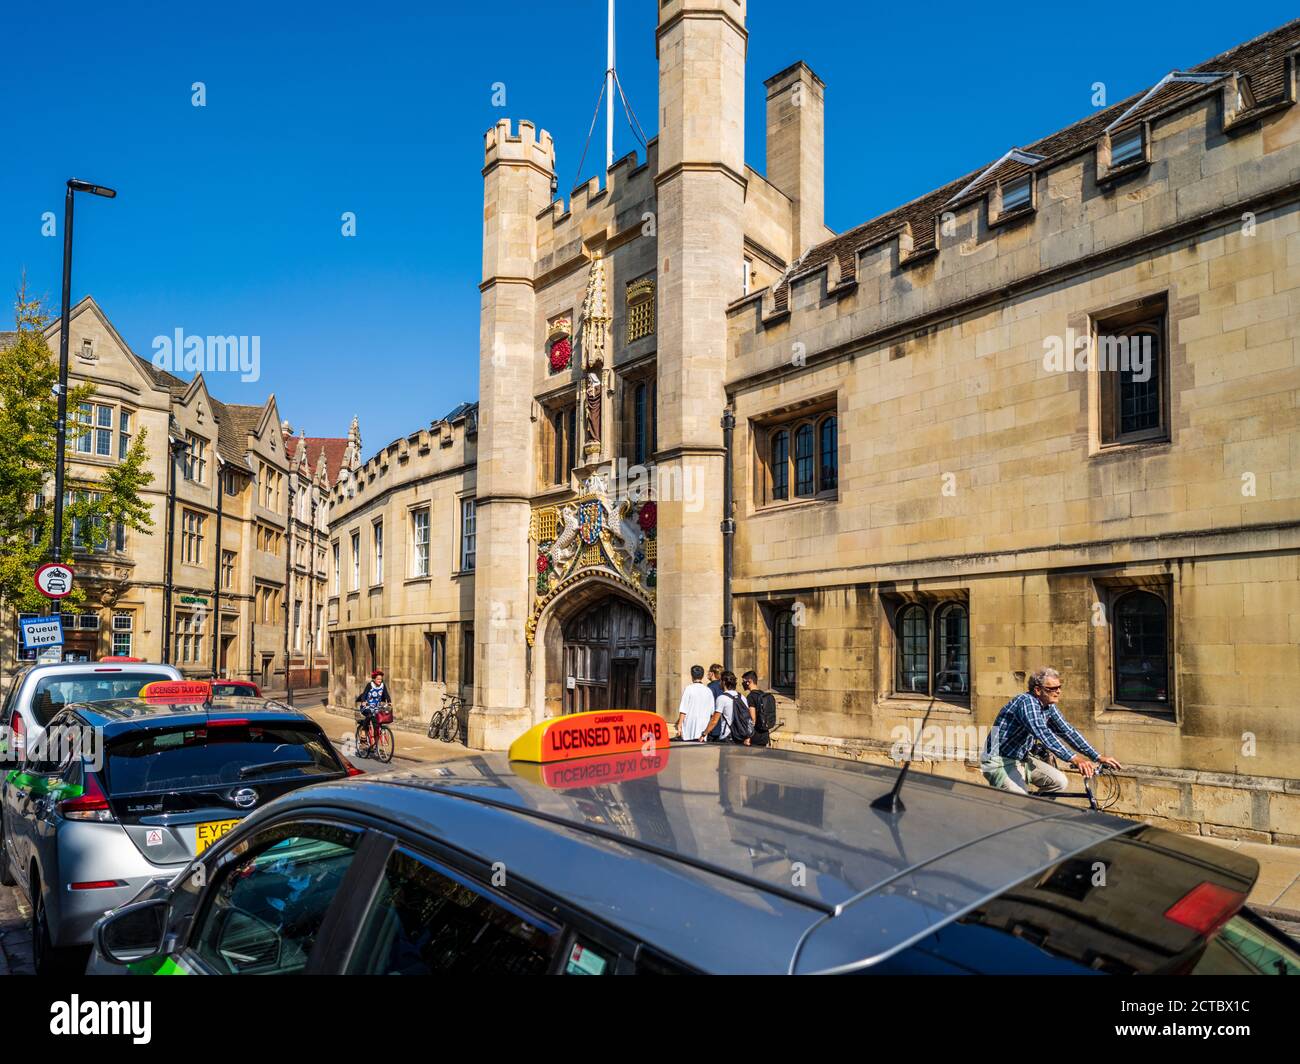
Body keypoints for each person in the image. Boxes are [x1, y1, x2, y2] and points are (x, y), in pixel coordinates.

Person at [981, 666, 1122, 794]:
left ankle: (1035, 814)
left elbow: (1068, 732)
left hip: (1022, 758)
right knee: (1020, 799)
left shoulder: (1048, 706)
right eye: (1053, 689)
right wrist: (1075, 759)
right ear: (1037, 690)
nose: (1058, 691)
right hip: (998, 760)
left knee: (1060, 782)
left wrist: (1097, 756)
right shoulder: (1026, 702)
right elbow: (1043, 733)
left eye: (1059, 687)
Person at [698, 670, 743, 743]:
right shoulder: (742, 697)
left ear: (724, 682)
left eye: (720, 681)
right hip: (740, 736)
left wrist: (704, 734)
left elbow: (714, 720)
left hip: (727, 736)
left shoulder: (722, 698)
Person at [675, 665, 716, 742]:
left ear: (692, 676)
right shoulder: (708, 691)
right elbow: (712, 712)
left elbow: (683, 710)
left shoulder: (689, 689)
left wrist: (679, 725)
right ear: (702, 676)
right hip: (703, 727)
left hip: (689, 727)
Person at [354, 669, 393, 744]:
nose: (379, 680)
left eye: (381, 679)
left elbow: (386, 694)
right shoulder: (370, 685)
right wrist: (363, 702)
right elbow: (364, 694)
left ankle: (375, 743)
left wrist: (389, 702)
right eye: (378, 679)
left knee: (377, 723)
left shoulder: (382, 685)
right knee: (369, 714)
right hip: (367, 706)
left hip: (376, 707)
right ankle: (363, 732)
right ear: (374, 679)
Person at [740, 671, 776, 748]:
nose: (742, 684)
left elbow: (753, 719)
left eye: (743, 681)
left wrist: (748, 737)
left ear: (749, 681)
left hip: (755, 736)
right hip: (765, 734)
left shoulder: (751, 697)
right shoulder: (762, 694)